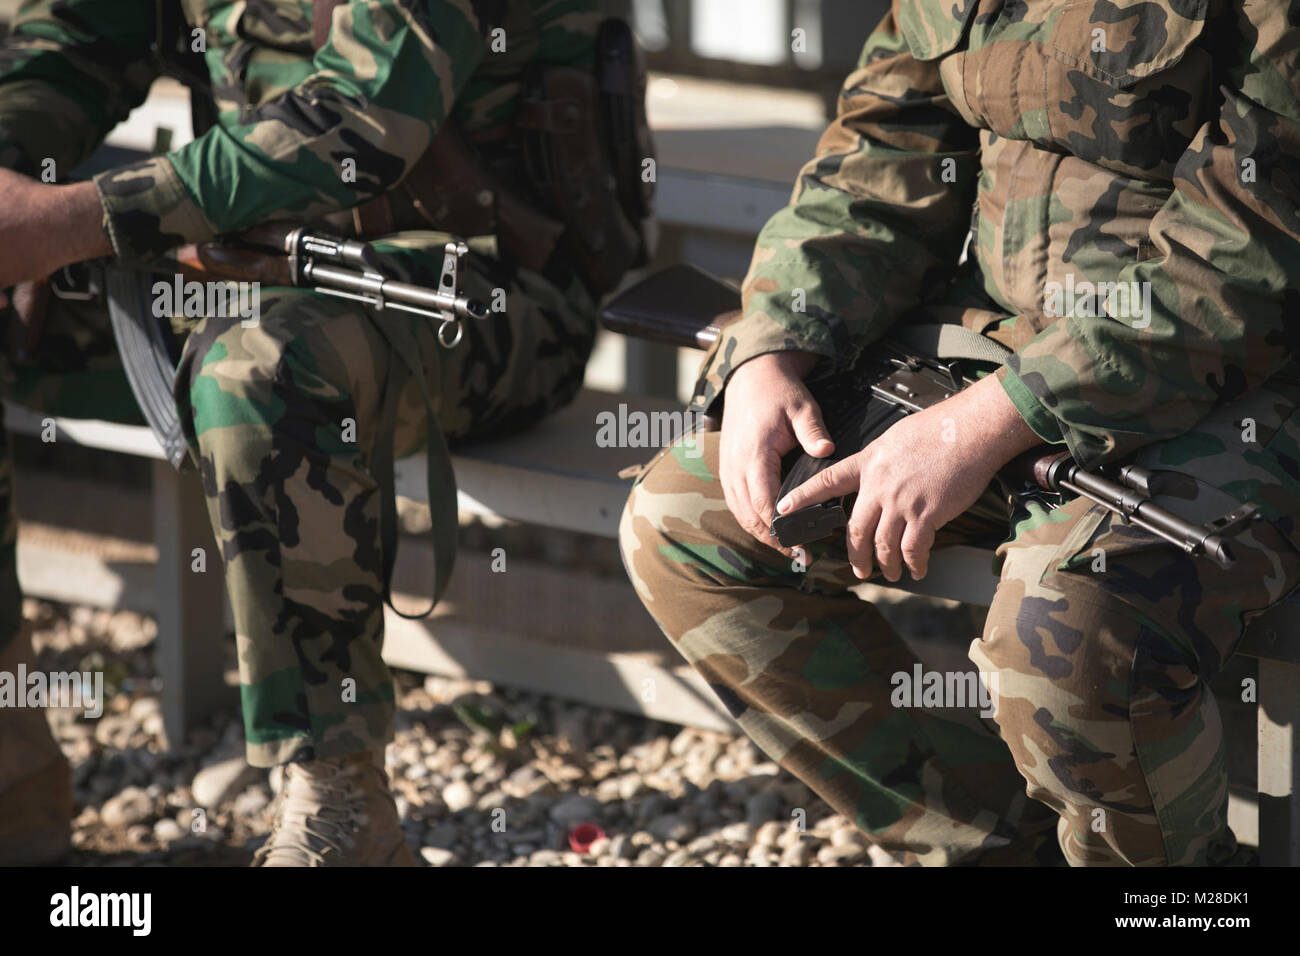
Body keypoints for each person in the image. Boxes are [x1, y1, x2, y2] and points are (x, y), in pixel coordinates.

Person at [619, 0, 1300, 865]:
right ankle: (997, 846)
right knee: (687, 522)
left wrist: (996, 419)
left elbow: (1251, 247)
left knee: (1075, 636)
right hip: (985, 346)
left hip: (1238, 377)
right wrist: (774, 342)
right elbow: (884, 151)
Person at [0, 0, 645, 866]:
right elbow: (77, 36)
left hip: (480, 286)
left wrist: (67, 222)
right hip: (233, 253)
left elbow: (362, 111)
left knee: (260, 367)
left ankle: (341, 816)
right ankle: (10, 776)